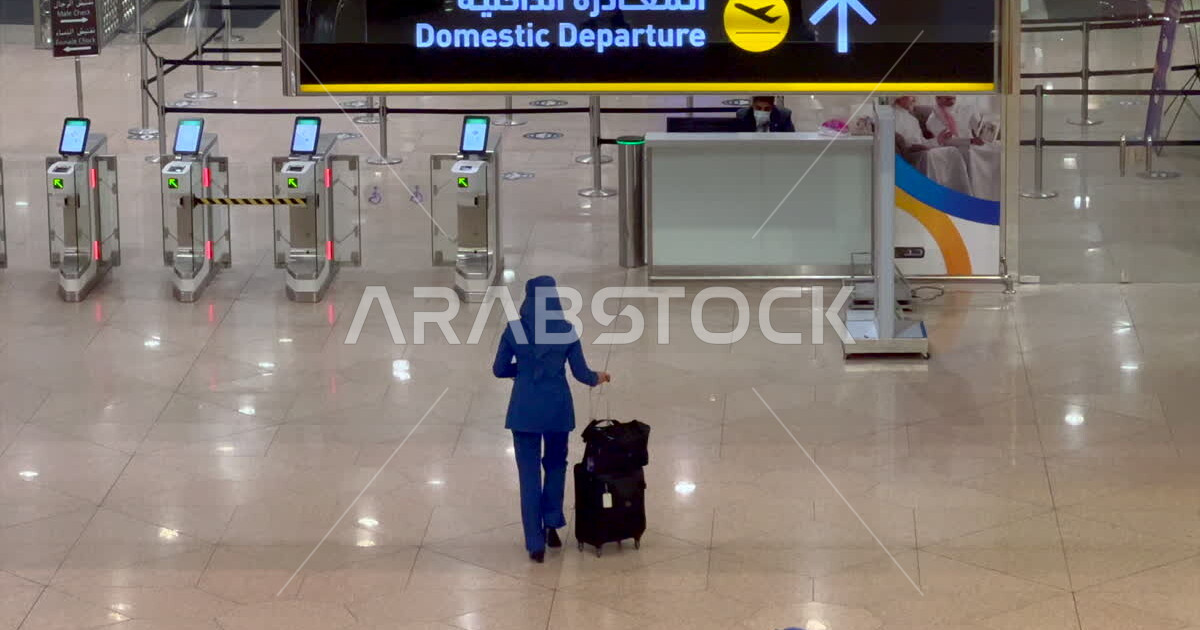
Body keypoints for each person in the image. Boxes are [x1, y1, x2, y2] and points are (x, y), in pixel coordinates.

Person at [493, 276, 612, 563]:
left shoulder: (514, 330)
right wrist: (599, 377)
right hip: (558, 410)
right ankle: (552, 525)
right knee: (557, 466)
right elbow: (582, 374)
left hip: (524, 412)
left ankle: (534, 544)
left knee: (529, 476)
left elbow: (498, 369)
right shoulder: (566, 330)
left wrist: (522, 370)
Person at [892, 95, 973, 197]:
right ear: (900, 97)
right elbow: (904, 144)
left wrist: (938, 140)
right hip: (911, 153)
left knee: (953, 151)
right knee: (930, 155)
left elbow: (922, 142)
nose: (915, 100)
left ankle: (959, 195)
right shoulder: (892, 116)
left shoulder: (912, 119)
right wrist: (915, 147)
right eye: (911, 96)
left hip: (922, 148)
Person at [925, 95, 1002, 201]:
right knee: (970, 153)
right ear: (938, 98)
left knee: (998, 148)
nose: (951, 97)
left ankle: (996, 194)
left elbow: (978, 128)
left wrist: (987, 131)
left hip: (975, 143)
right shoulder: (933, 119)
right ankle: (978, 195)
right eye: (946, 97)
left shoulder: (967, 108)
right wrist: (970, 141)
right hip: (957, 147)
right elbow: (946, 141)